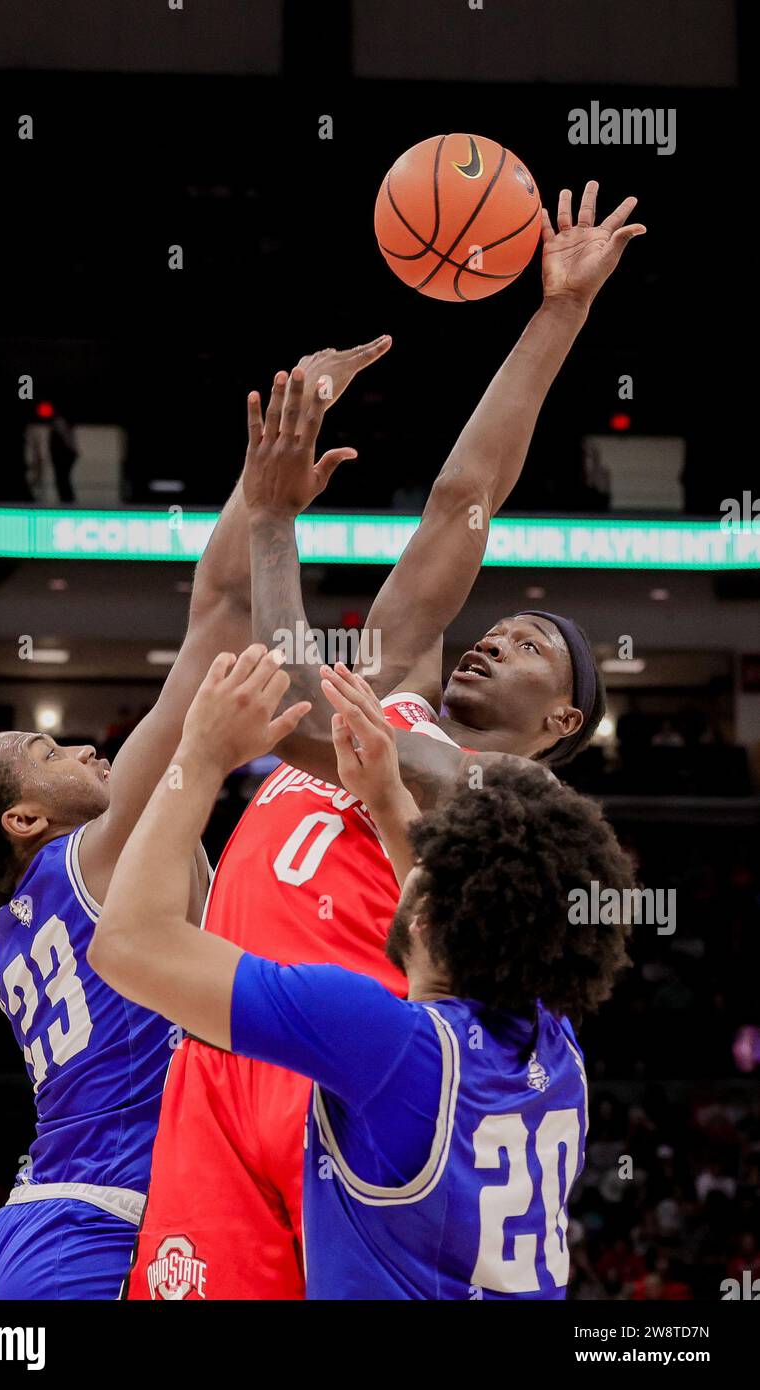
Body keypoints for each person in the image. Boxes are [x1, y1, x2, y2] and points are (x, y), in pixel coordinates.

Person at [125, 181, 645, 1301]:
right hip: (219, 1042)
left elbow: (300, 713)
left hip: (334, 1061)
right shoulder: (398, 679)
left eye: (525, 650)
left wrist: (272, 526)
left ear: (559, 721)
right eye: (494, 627)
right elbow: (466, 494)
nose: (488, 642)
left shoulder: (491, 795)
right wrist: (555, 310)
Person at [0, 339, 389, 1298]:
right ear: (23, 818)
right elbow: (220, 609)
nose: (86, 750)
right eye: (50, 754)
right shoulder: (90, 859)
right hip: (105, 1226)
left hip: (27, 1232)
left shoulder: (25, 923)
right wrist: (265, 487)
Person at [89, 647, 635, 1300]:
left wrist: (199, 758)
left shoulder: (387, 1043)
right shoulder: (557, 1045)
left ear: (429, 916)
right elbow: (452, 905)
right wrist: (383, 796)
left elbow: (127, 943)